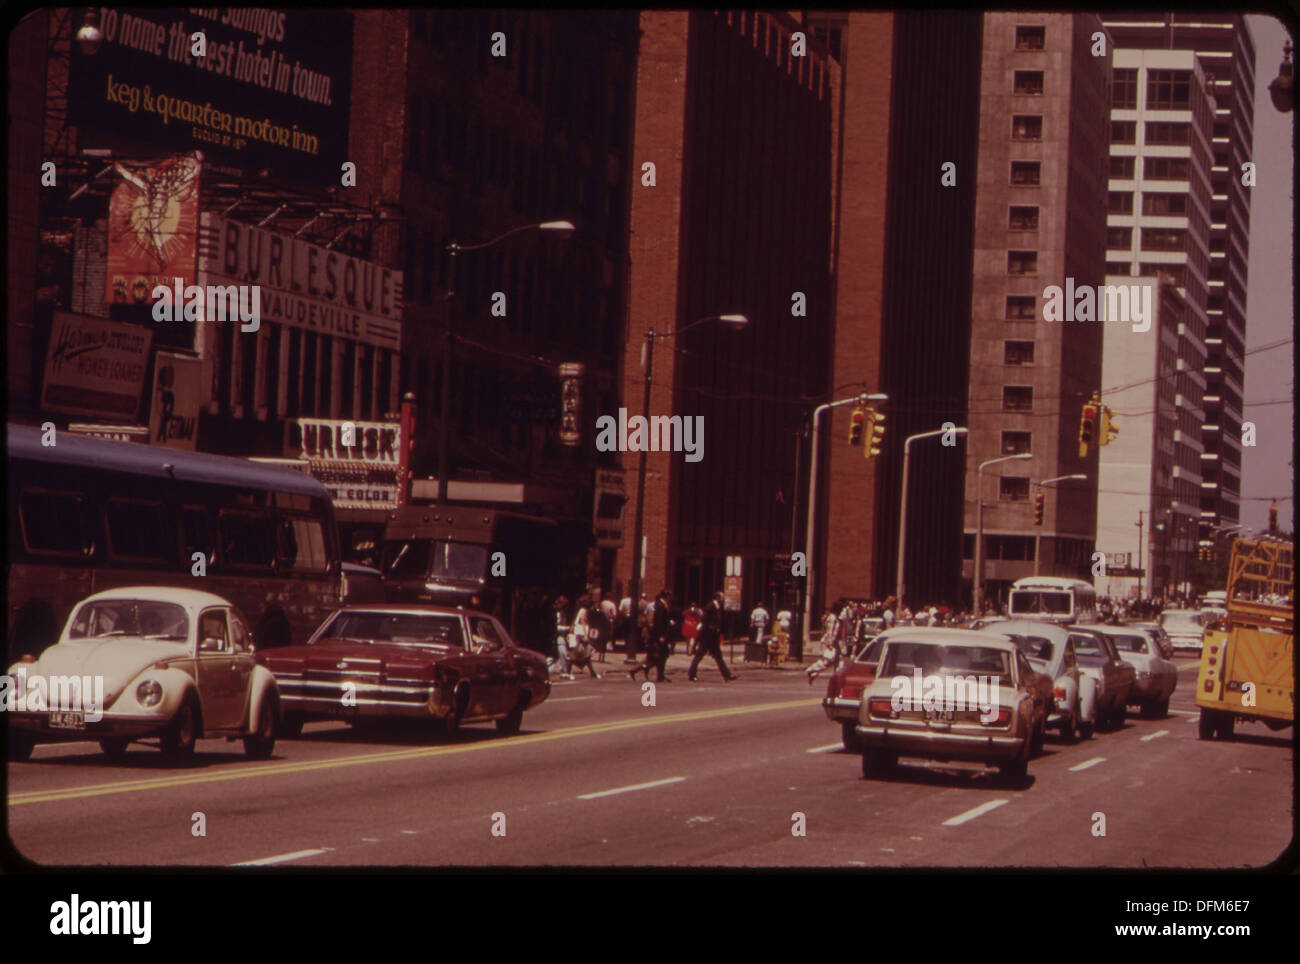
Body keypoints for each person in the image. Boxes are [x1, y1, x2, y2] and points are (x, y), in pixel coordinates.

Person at [689, 591, 736, 681]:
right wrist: (710, 626)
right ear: (717, 598)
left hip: (713, 636)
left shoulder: (718, 607)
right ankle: (692, 674)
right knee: (699, 655)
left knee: (718, 656)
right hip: (707, 636)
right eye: (722, 597)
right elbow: (704, 618)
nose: (723, 599)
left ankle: (727, 675)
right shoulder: (710, 606)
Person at [630, 589, 673, 682]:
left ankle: (659, 675)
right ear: (666, 596)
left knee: (659, 656)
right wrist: (660, 636)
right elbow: (659, 622)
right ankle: (639, 670)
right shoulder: (660, 606)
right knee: (656, 656)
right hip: (658, 636)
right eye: (669, 596)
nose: (671, 598)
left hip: (657, 635)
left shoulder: (660, 605)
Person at [806, 607, 843, 685]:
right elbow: (830, 631)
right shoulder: (833, 618)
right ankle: (812, 669)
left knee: (838, 661)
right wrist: (830, 643)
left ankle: (838, 679)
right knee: (828, 661)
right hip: (831, 642)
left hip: (833, 642)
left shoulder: (833, 618)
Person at [549, 596, 573, 680]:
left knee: (558, 655)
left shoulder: (563, 614)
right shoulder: (558, 614)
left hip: (561, 637)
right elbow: (555, 627)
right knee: (562, 654)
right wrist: (566, 628)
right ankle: (563, 672)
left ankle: (562, 671)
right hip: (558, 637)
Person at [598, 594, 618, 662]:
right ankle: (607, 647)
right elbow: (614, 615)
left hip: (601, 621)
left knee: (601, 637)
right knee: (608, 636)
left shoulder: (601, 603)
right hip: (609, 622)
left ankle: (600, 652)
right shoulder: (612, 604)